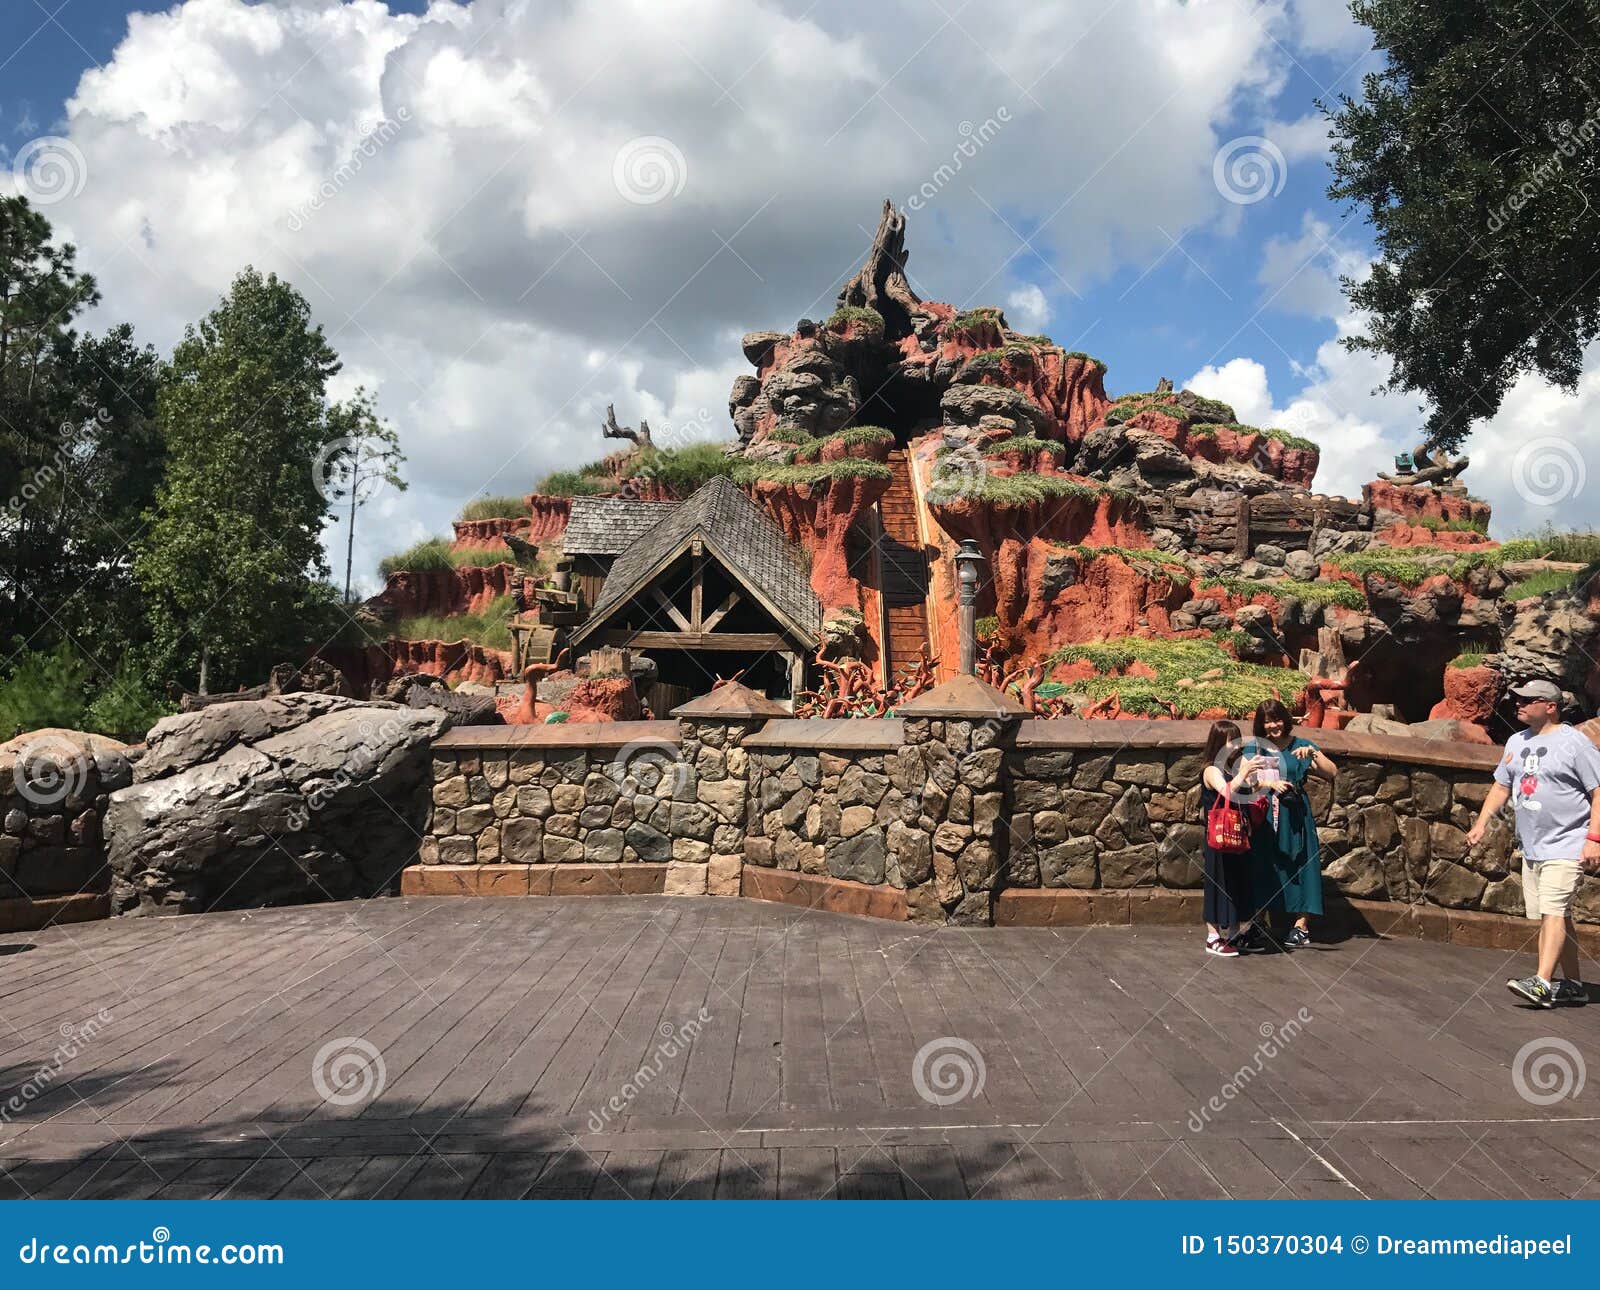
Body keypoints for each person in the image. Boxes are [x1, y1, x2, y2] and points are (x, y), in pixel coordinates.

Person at [1466, 679, 1600, 1008]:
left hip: (1568, 842)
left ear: (1550, 707)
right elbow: (1501, 786)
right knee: (1556, 915)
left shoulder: (1575, 744)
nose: (1519, 704)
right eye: (1517, 699)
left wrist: (1594, 839)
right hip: (1534, 847)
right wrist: (1482, 822)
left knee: (1553, 910)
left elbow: (1598, 792)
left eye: (1528, 700)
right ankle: (1572, 984)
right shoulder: (1515, 741)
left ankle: (1541, 982)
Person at [1235, 698, 1337, 950]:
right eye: (1267, 721)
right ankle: (1258, 923)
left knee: (1301, 864)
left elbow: (1331, 771)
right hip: (1264, 817)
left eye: (1277, 719)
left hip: (1295, 816)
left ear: (1286, 719)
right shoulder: (1256, 749)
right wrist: (1269, 784)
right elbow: (1246, 780)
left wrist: (1314, 754)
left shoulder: (1301, 745)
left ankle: (1301, 926)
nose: (1273, 726)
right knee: (1262, 864)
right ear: (1261, 724)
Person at [1199, 720, 1258, 957]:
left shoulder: (1235, 766)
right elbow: (1226, 792)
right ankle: (1213, 936)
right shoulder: (1212, 770)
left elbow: (1250, 791)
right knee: (1218, 883)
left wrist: (1261, 779)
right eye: (1229, 740)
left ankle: (1233, 934)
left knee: (1236, 882)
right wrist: (1243, 773)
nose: (1234, 745)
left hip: (1237, 834)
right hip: (1218, 836)